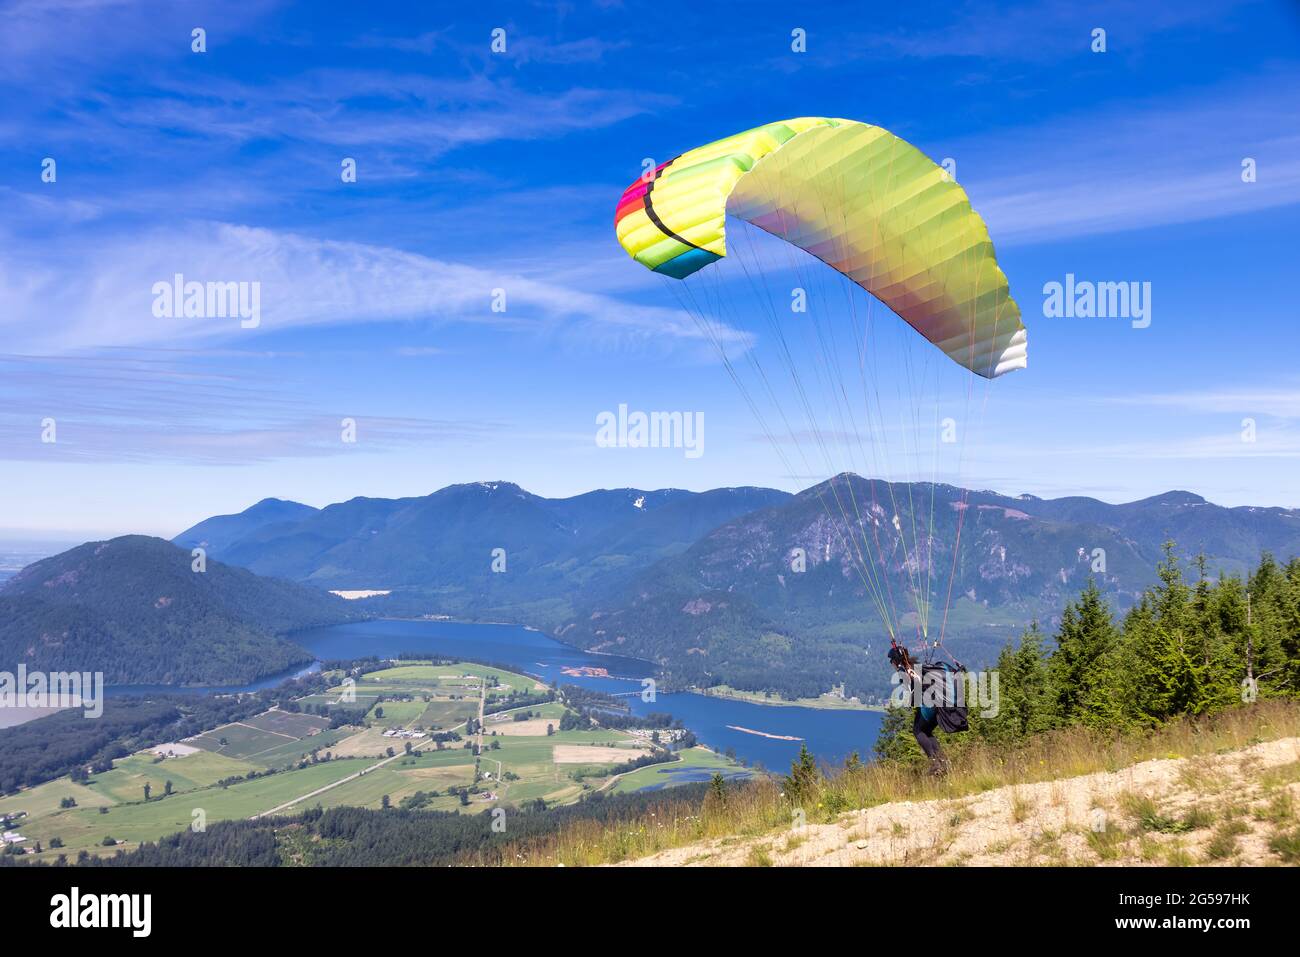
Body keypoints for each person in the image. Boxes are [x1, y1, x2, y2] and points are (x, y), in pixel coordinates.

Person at [888, 643, 950, 776]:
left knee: (917, 730)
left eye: (892, 661)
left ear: (896, 661)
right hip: (937, 703)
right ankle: (943, 761)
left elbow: (911, 689)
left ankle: (936, 763)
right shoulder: (916, 666)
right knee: (926, 731)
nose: (891, 664)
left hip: (927, 705)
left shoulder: (903, 671)